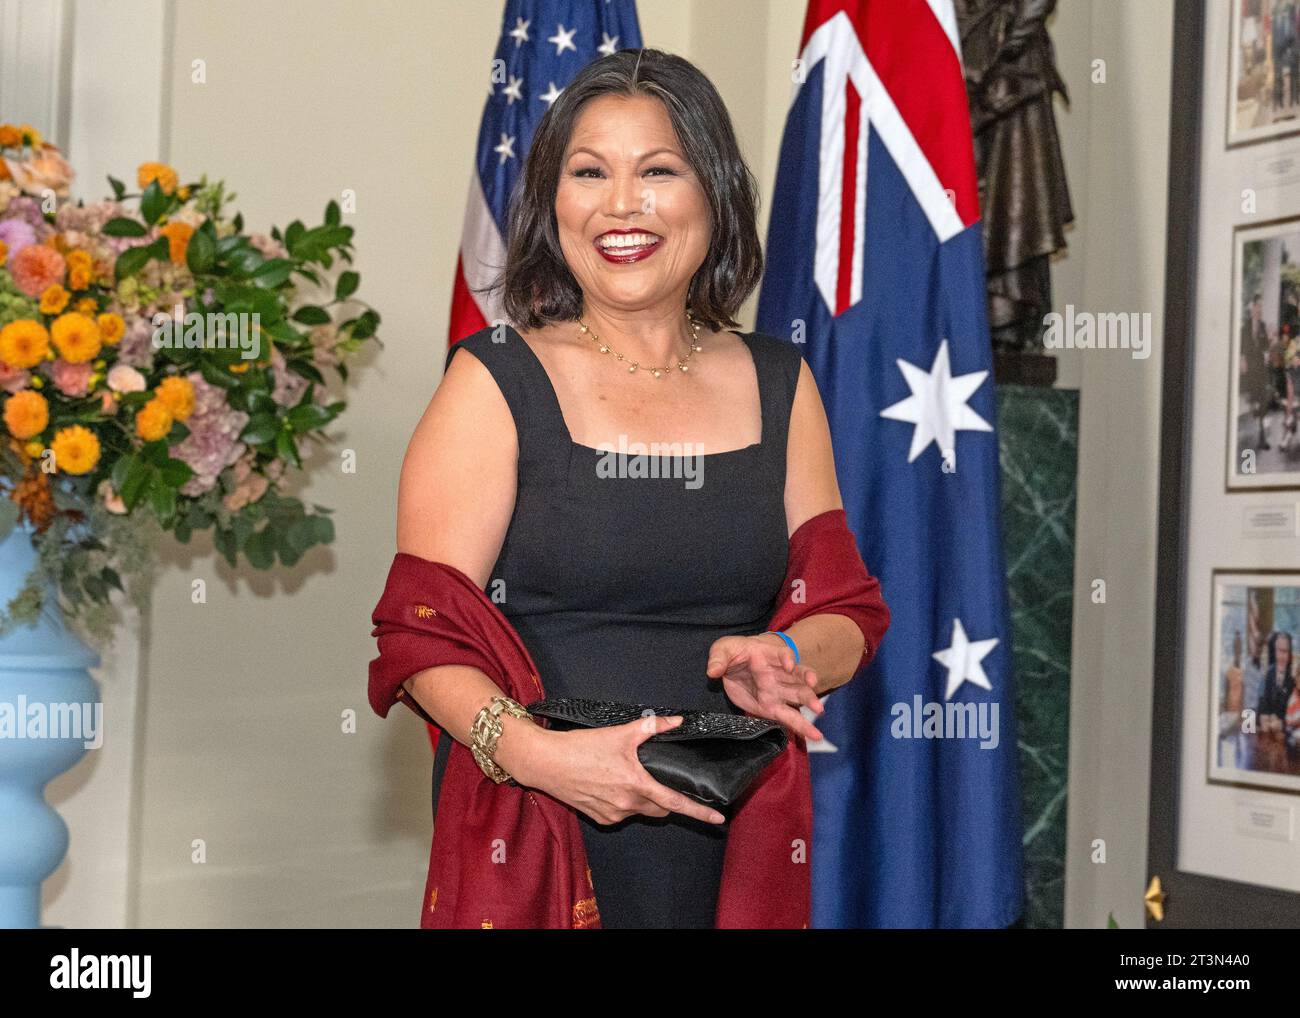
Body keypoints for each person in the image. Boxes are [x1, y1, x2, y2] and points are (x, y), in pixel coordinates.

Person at [386, 49, 887, 928]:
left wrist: (790, 659)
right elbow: (420, 640)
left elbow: (844, 610)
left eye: (659, 170)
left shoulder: (782, 381)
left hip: (734, 835)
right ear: (554, 201)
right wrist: (545, 758)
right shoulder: (491, 380)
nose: (622, 204)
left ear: (715, 193)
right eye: (590, 173)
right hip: (541, 827)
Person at [1257, 630, 1295, 734]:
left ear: (1290, 653)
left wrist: (1282, 723)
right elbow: (1261, 703)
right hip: (1267, 734)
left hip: (1286, 735)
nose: (1282, 656)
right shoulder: (1267, 674)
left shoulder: (1294, 678)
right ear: (1274, 651)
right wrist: (1263, 716)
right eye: (1279, 651)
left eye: (1285, 651)